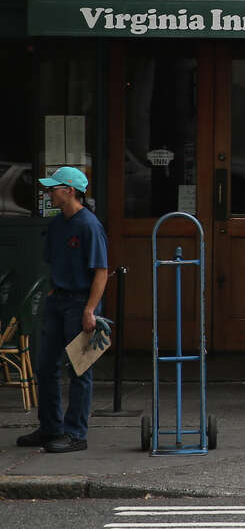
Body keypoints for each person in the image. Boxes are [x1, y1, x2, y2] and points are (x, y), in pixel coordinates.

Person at [17, 166, 108, 453]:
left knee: (79, 369)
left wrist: (90, 310)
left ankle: (75, 433)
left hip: (80, 303)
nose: (48, 193)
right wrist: (54, 292)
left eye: (53, 188)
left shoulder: (89, 225)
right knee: (46, 366)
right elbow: (52, 261)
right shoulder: (57, 225)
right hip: (58, 301)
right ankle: (50, 428)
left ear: (70, 191)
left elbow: (101, 272)